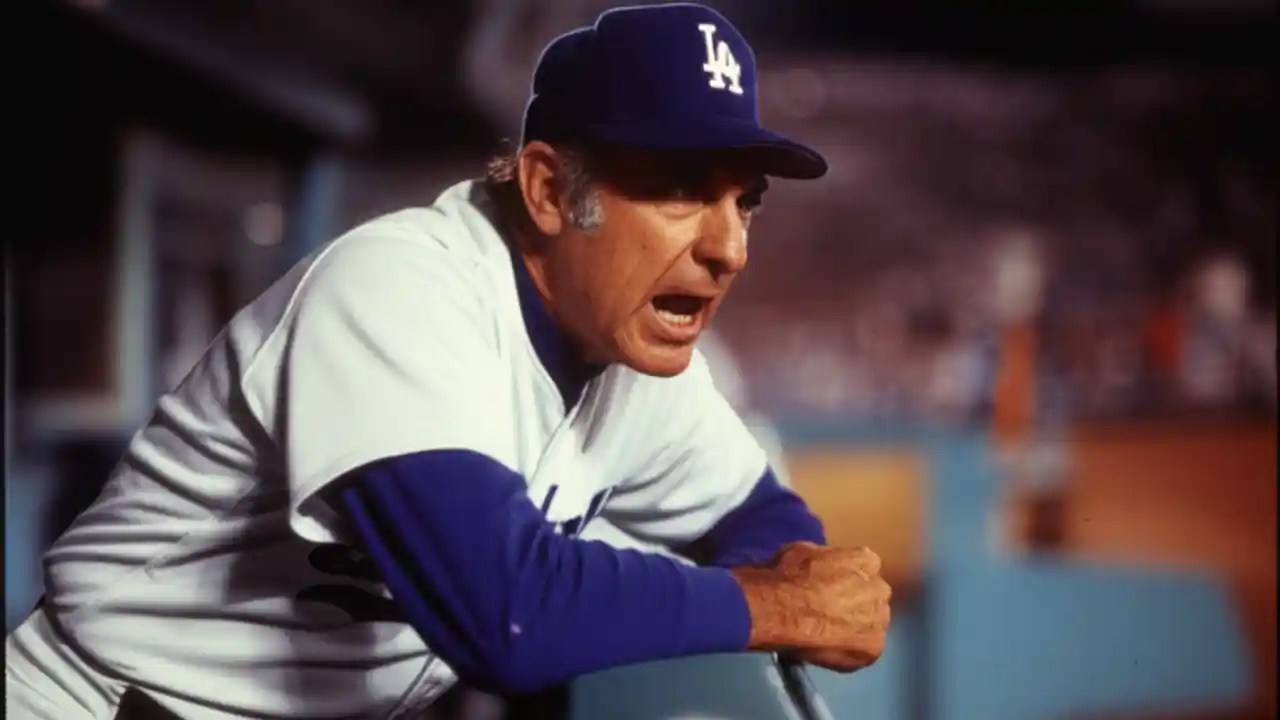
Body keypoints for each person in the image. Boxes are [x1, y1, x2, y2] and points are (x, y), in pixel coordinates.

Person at [5, 4, 892, 718]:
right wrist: (776, 607)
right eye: (679, 191)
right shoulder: (400, 289)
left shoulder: (637, 362)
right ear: (548, 190)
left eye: (745, 203)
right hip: (96, 701)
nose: (728, 246)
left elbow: (762, 513)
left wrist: (796, 578)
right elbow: (505, 613)